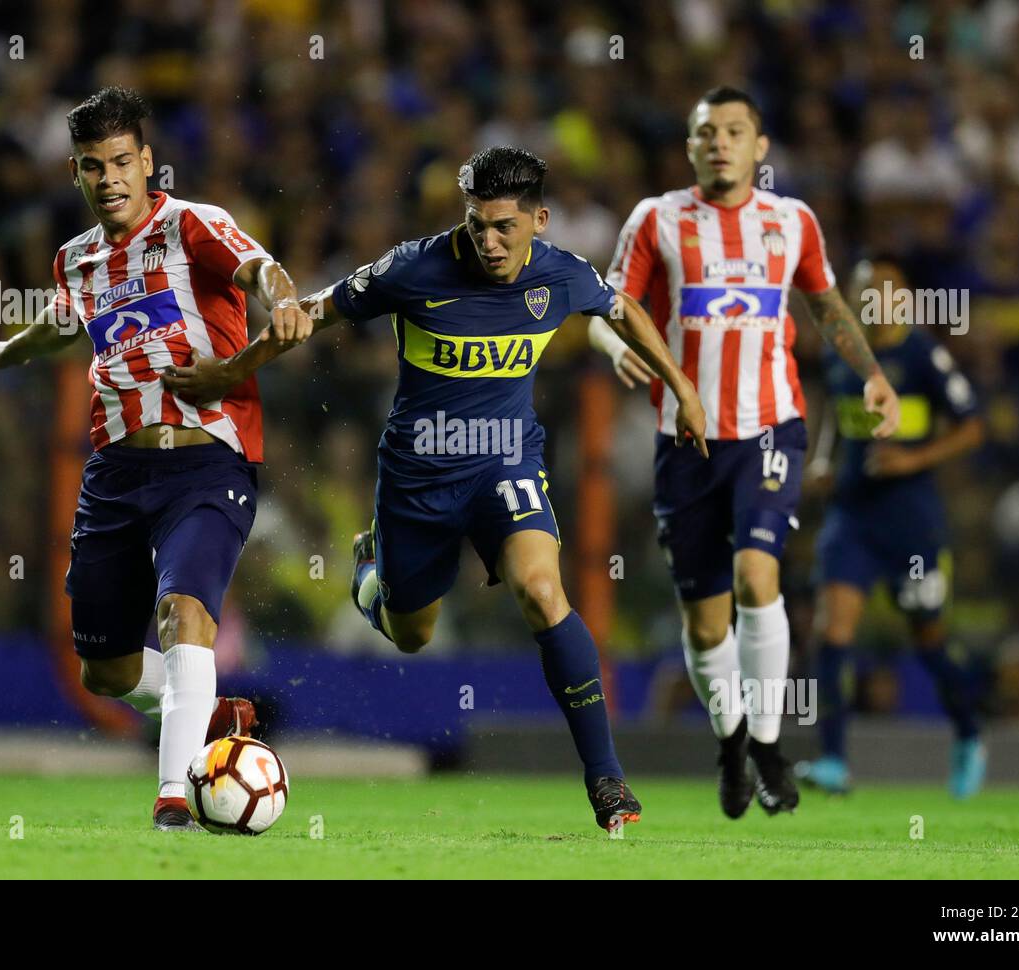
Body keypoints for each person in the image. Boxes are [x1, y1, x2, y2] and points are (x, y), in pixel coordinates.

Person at [171, 145, 709, 830]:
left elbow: (623, 307)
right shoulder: (412, 267)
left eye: (504, 227)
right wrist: (229, 371)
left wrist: (682, 386)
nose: (488, 240)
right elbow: (310, 312)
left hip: (506, 464)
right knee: (412, 634)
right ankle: (374, 581)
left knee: (544, 594)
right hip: (418, 477)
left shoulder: (560, 275)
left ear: (540, 220)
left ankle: (607, 781)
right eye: (477, 223)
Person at [0, 87, 312, 831]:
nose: (110, 178)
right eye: (93, 166)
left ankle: (173, 801)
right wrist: (11, 348)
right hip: (116, 474)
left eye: (123, 161)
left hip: (206, 465)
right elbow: (60, 322)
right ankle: (209, 707)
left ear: (148, 163)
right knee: (105, 668)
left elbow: (261, 269)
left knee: (183, 613)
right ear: (76, 173)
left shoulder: (193, 225)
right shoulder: (77, 260)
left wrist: (282, 300)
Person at [589, 86, 900, 819]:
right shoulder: (657, 219)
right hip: (685, 437)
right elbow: (606, 307)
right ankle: (731, 742)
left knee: (760, 574)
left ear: (761, 148)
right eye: (706, 132)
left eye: (735, 131)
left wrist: (873, 376)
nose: (720, 142)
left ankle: (766, 744)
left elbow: (824, 304)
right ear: (691, 147)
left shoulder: (792, 222)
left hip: (770, 428)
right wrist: (609, 347)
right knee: (705, 623)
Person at [797, 256, 987, 798]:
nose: (876, 299)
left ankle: (970, 734)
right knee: (831, 631)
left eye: (888, 289)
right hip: (853, 516)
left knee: (930, 642)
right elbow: (834, 413)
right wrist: (824, 460)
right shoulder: (844, 355)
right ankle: (833, 760)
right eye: (866, 289)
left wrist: (912, 459)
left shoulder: (921, 353)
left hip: (912, 524)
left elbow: (972, 427)